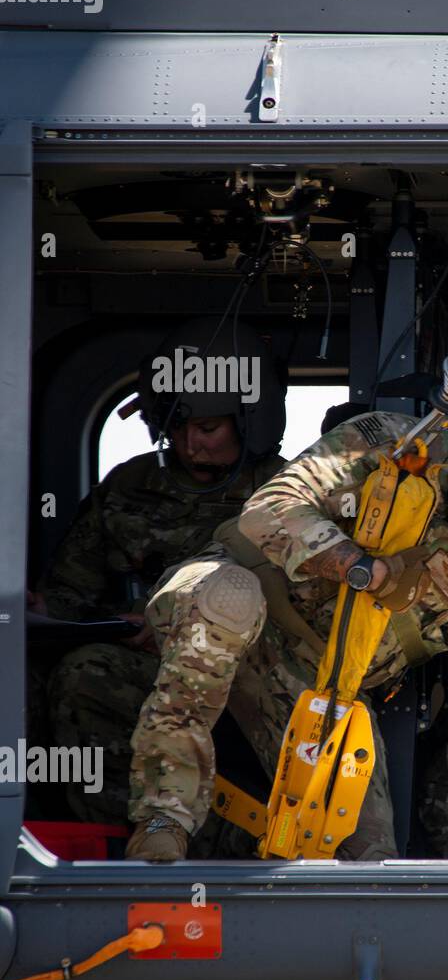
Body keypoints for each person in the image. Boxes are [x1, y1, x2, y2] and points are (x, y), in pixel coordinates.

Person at [124, 406, 448, 862]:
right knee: (229, 599)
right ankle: (162, 821)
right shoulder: (397, 450)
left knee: (368, 863)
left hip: (317, 679)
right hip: (234, 596)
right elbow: (269, 510)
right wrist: (359, 567)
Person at [31, 317, 286, 827]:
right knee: (61, 675)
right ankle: (119, 843)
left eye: (207, 428)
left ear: (248, 418)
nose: (190, 443)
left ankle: (215, 842)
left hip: (250, 679)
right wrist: (47, 611)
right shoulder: (129, 488)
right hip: (143, 673)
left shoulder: (286, 498)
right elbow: (70, 593)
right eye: (174, 426)